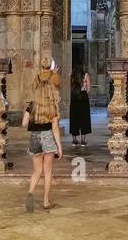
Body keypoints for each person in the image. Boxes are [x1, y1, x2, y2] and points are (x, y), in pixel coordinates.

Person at [23, 59, 62, 212]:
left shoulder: (32, 104)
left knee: (36, 171)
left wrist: (29, 114)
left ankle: (30, 193)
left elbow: (24, 124)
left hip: (34, 137)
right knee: (48, 172)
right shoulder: (52, 106)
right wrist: (59, 147)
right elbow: (55, 129)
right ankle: (45, 201)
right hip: (47, 137)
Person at [69, 67, 92, 147]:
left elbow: (70, 87)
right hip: (83, 96)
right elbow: (88, 88)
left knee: (74, 118)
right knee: (84, 118)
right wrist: (84, 93)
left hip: (74, 97)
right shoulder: (85, 75)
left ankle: (74, 140)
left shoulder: (71, 75)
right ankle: (83, 141)